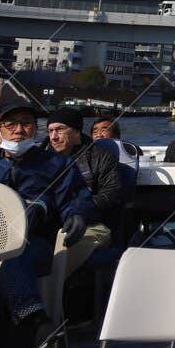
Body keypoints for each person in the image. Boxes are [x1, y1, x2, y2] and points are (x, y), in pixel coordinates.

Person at [0, 96, 94, 348]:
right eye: (12, 125)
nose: (20, 130)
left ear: (35, 129)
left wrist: (78, 215)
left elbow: (77, 199)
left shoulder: (57, 165)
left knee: (3, 259)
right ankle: (35, 325)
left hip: (35, 245)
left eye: (27, 124)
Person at [45, 107, 121, 251]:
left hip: (91, 222)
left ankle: (58, 271)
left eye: (60, 129)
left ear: (76, 132)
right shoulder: (41, 157)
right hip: (50, 221)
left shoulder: (100, 156)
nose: (54, 137)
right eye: (50, 131)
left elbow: (111, 194)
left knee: (69, 246)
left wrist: (81, 211)